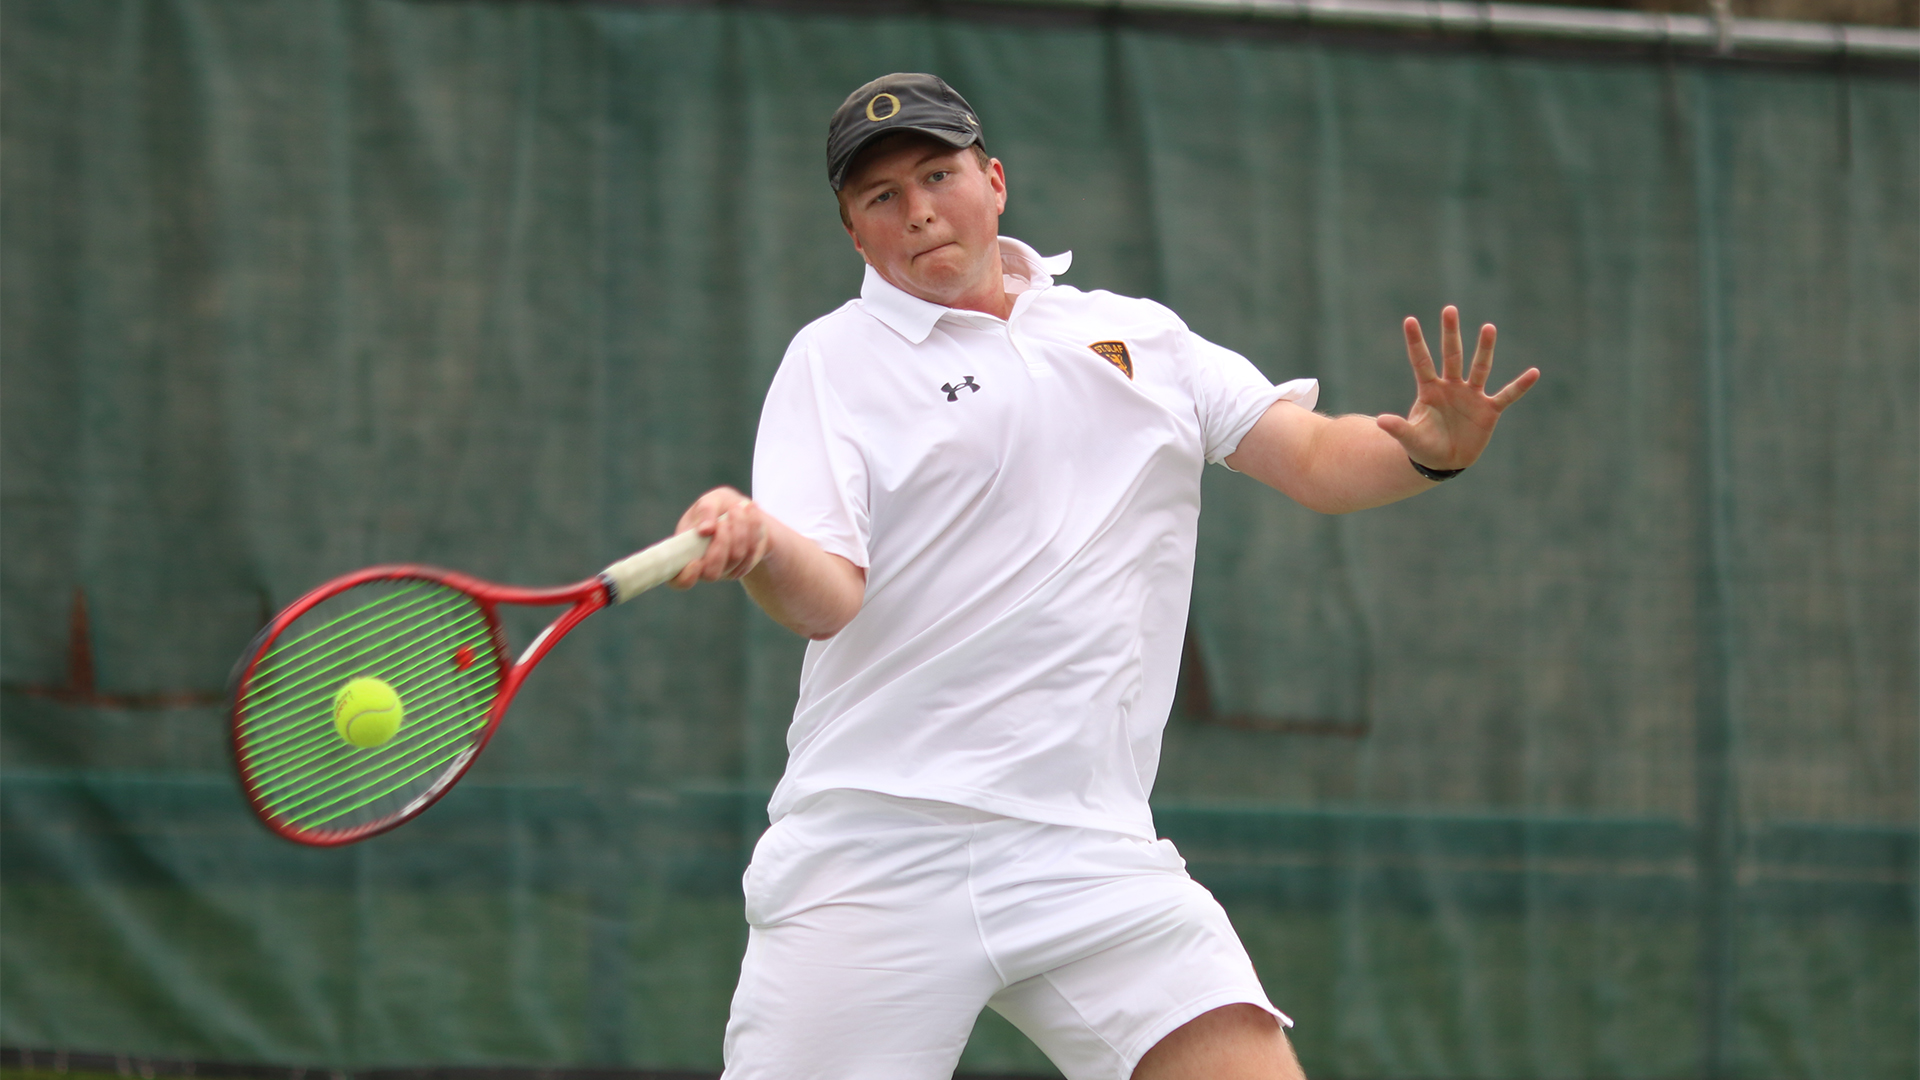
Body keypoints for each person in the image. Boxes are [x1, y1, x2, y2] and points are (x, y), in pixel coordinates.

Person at [668, 73, 1538, 1080]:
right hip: (877, 845)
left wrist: (1429, 454)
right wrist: (765, 548)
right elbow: (827, 599)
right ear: (855, 234)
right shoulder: (833, 361)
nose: (918, 211)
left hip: (1089, 849)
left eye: (939, 176)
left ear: (995, 181)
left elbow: (1311, 458)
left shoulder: (1143, 337)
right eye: (881, 196)